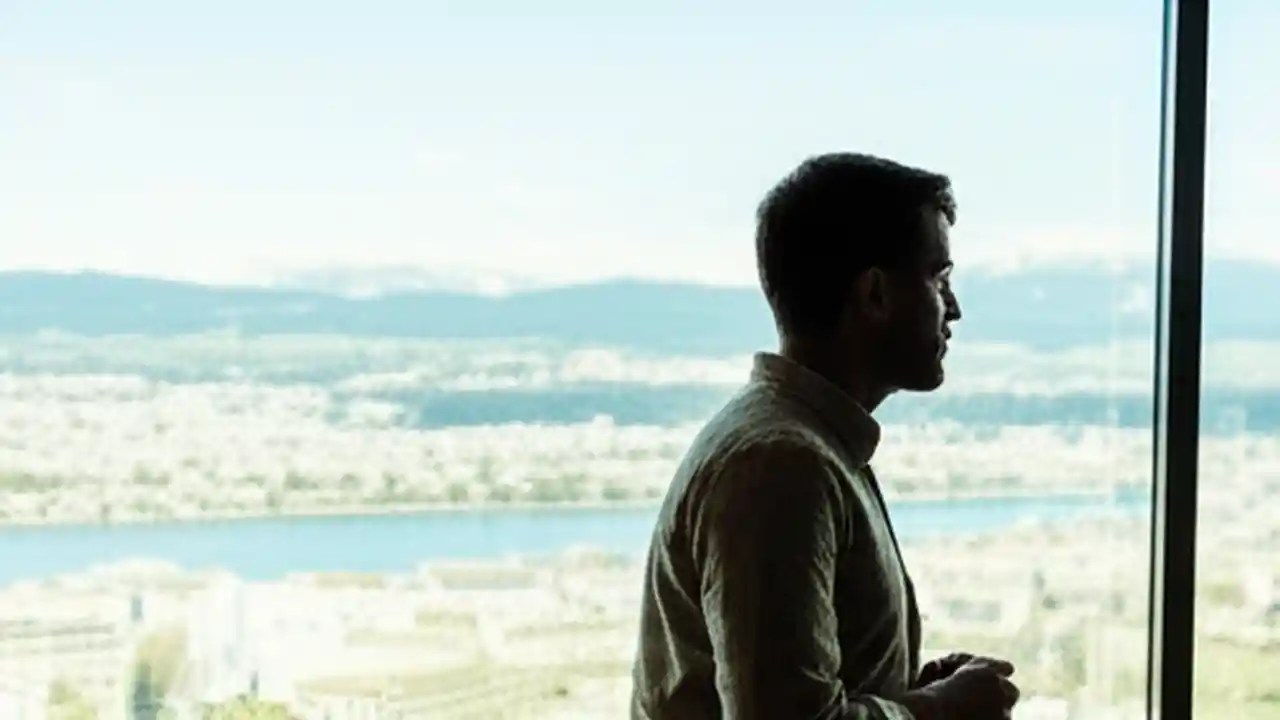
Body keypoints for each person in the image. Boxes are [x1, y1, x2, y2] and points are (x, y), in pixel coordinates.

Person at [631, 153, 1020, 719]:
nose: (954, 308)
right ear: (875, 294)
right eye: (939, 277)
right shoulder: (782, 466)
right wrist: (938, 712)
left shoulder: (802, 444)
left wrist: (908, 693)